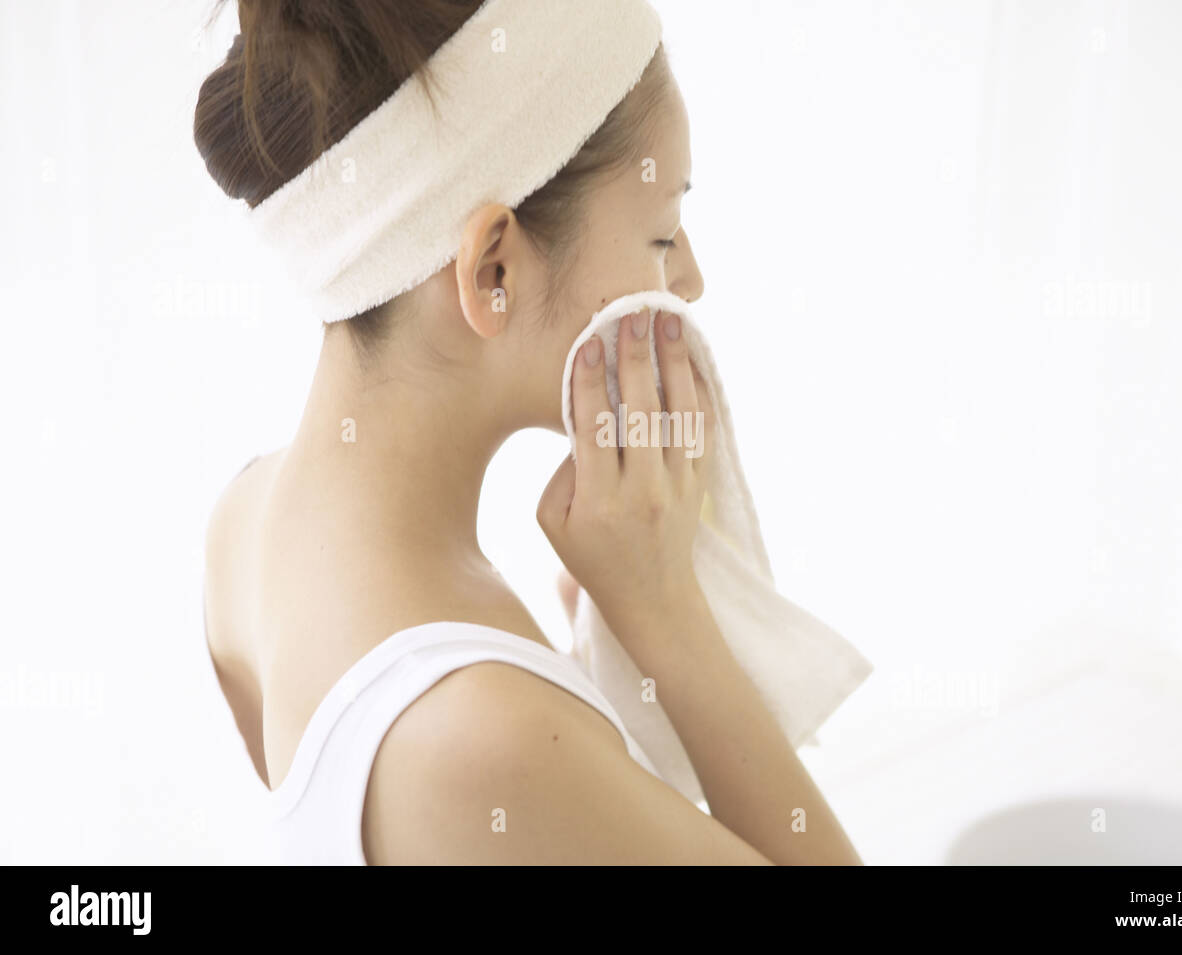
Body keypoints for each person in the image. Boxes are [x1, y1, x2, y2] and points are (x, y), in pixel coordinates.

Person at [196, 0, 862, 865]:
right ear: (493, 272)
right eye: (662, 234)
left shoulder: (240, 521)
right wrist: (667, 621)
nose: (688, 282)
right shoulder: (485, 733)